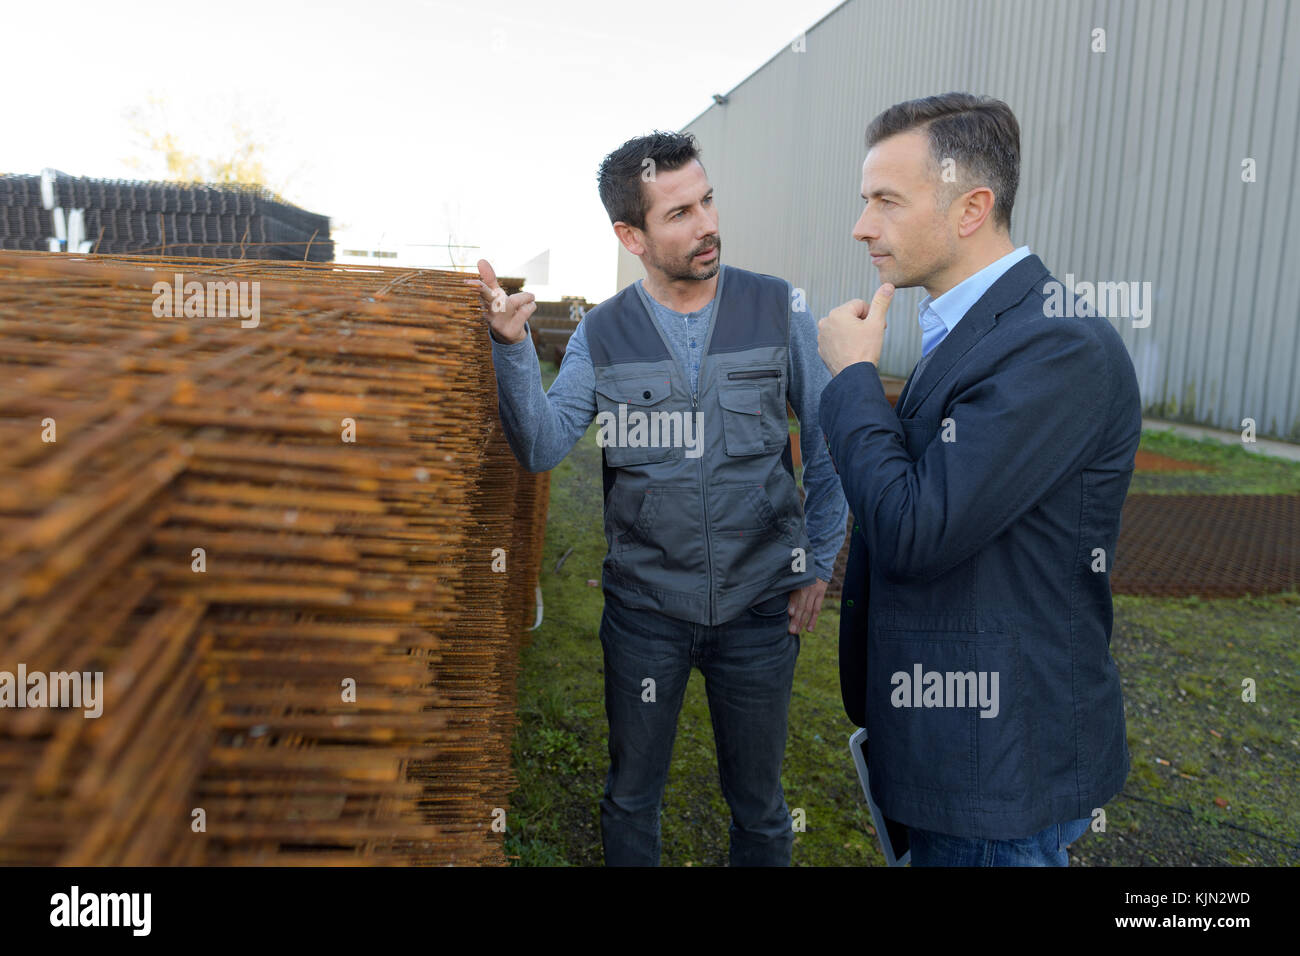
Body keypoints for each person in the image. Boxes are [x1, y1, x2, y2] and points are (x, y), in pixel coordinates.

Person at [470, 130, 848, 866]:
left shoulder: (777, 308)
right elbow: (543, 445)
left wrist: (821, 559)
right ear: (631, 235)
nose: (706, 222)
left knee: (762, 809)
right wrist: (512, 353)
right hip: (646, 616)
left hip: (758, 610)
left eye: (707, 200)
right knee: (631, 798)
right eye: (679, 213)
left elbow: (831, 444)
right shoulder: (603, 333)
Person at [815, 93, 1140, 866]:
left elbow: (916, 529)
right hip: (949, 750)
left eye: (886, 201)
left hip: (993, 772)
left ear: (971, 208)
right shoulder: (970, 327)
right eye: (866, 201)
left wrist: (854, 380)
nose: (863, 226)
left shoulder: (1057, 346)